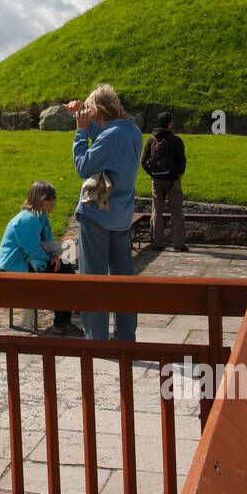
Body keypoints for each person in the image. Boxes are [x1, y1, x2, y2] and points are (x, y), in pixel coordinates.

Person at [66, 84, 143, 341]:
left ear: (99, 110)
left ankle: (96, 339)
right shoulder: (132, 131)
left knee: (94, 279)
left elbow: (83, 166)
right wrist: (80, 117)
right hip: (121, 217)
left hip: (97, 214)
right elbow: (107, 138)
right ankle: (125, 337)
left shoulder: (112, 138)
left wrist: (80, 132)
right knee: (123, 283)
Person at [0, 181, 77, 332]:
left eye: (54, 197)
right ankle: (63, 319)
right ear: (39, 198)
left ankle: (66, 313)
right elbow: (32, 250)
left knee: (64, 268)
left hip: (29, 262)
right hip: (15, 269)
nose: (53, 201)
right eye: (49, 198)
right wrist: (51, 258)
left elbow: (48, 240)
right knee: (64, 275)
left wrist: (54, 256)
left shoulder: (41, 217)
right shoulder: (27, 219)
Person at [141, 111, 188, 252]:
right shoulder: (175, 140)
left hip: (156, 180)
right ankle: (178, 244)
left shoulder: (151, 140)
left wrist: (153, 174)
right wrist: (178, 176)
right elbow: (182, 161)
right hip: (173, 180)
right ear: (170, 123)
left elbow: (144, 161)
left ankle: (157, 242)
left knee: (157, 211)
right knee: (176, 212)